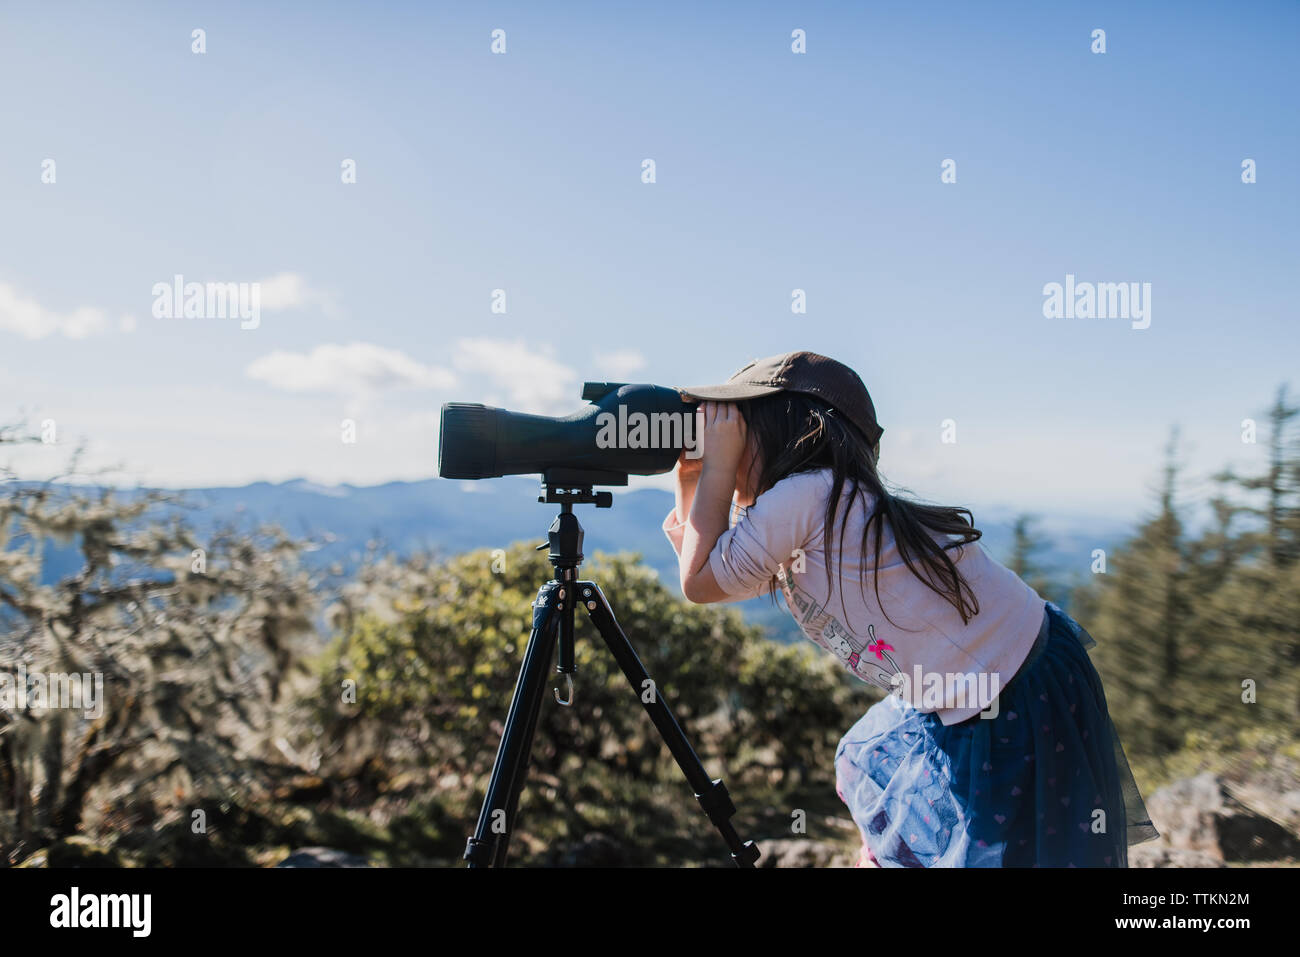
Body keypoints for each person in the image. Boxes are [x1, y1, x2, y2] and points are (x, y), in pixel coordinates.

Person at [660, 351, 1159, 867]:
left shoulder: (808, 495)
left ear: (781, 425)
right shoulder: (817, 500)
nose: (726, 436)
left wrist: (716, 466)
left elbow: (700, 582)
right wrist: (693, 475)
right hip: (974, 682)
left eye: (738, 422)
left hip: (1010, 690)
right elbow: (709, 570)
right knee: (870, 761)